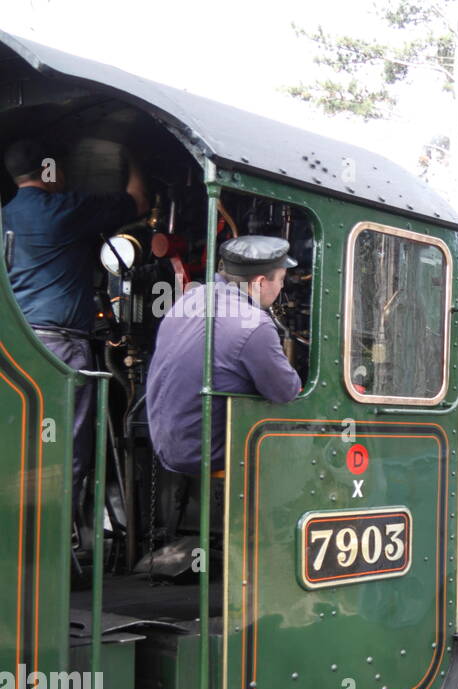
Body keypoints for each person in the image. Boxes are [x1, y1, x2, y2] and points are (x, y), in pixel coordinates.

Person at [2, 138, 148, 490]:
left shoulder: (5, 214)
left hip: (12, 347)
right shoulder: (65, 209)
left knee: (17, 441)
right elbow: (139, 201)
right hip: (59, 347)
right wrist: (133, 153)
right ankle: (60, 538)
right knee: (64, 447)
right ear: (49, 170)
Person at [146, 235, 302, 476]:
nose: (282, 287)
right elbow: (286, 392)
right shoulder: (255, 324)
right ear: (260, 282)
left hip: (166, 443)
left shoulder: (189, 298)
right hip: (203, 453)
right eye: (281, 280)